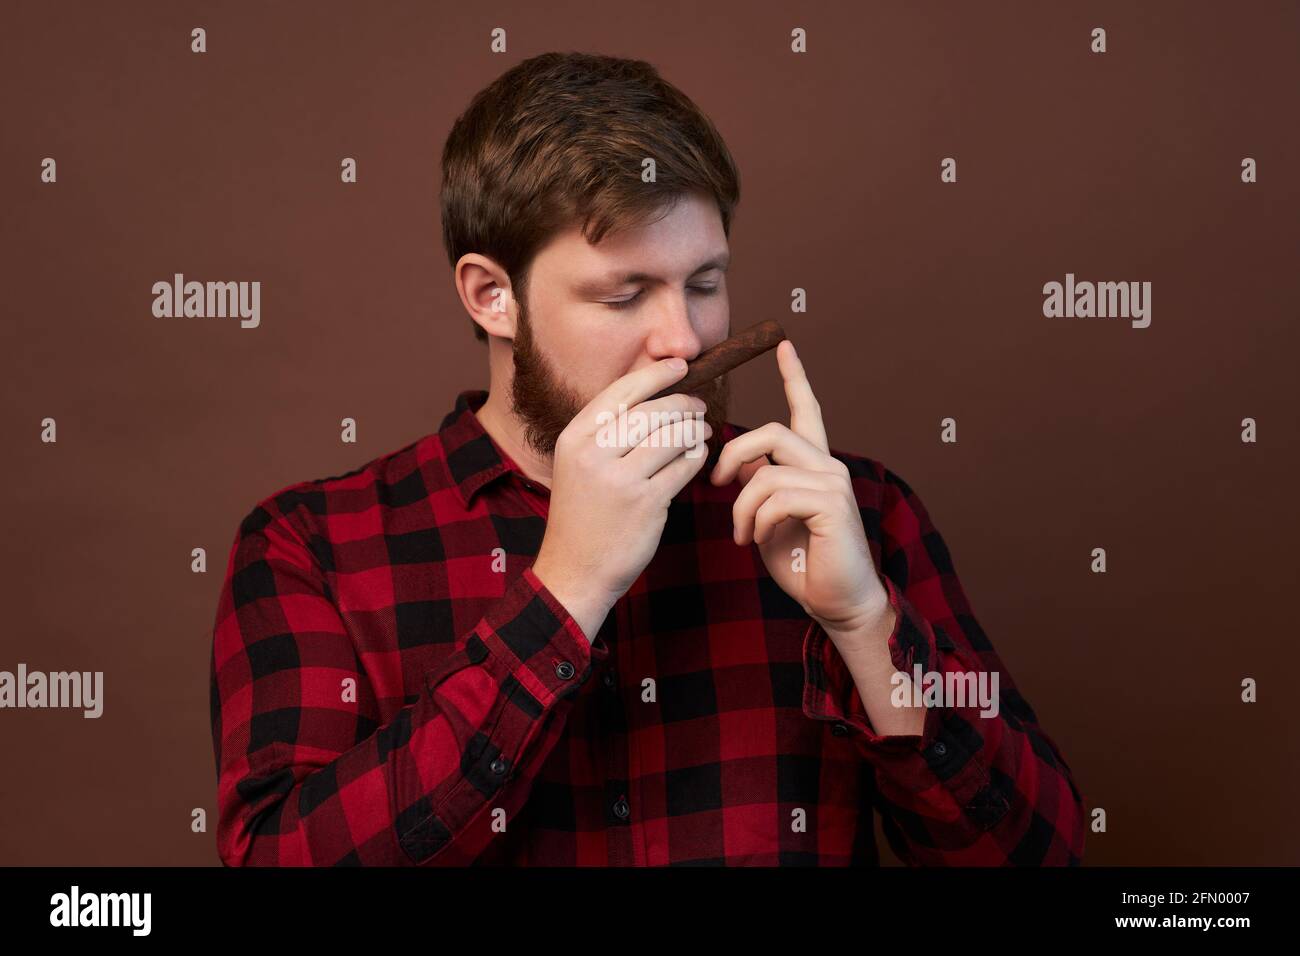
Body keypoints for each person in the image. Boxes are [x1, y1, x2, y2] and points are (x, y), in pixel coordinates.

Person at [209, 51, 1086, 866]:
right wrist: (566, 592)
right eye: (625, 294)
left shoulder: (854, 514)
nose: (685, 339)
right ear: (492, 296)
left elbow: (1041, 855)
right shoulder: (309, 547)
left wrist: (866, 628)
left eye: (704, 284)